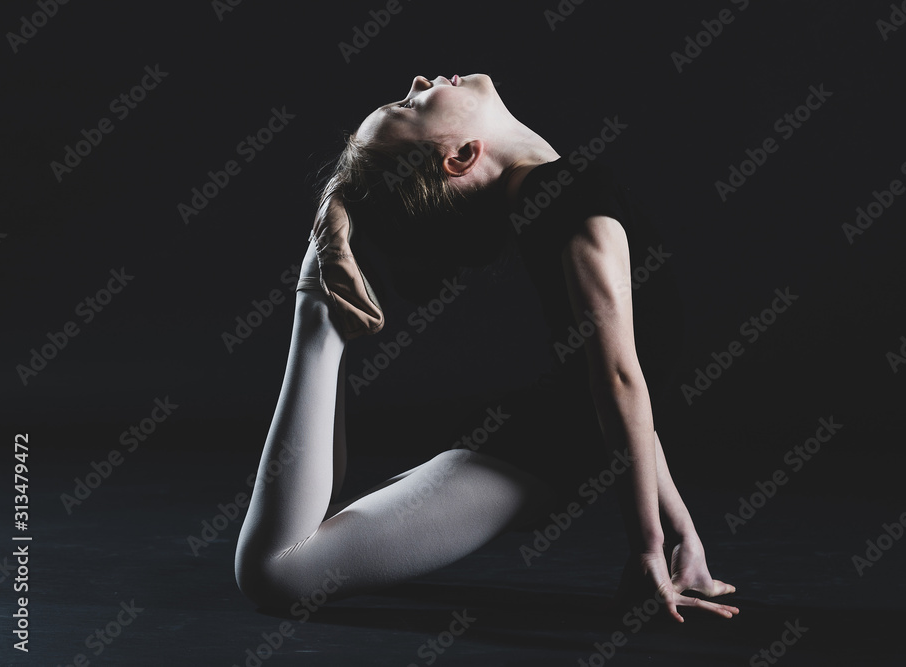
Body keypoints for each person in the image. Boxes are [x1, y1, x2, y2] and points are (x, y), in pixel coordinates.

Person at [235, 73, 739, 623]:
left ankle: (322, 305)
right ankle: (319, 317)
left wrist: (683, 539)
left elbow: (627, 387)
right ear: (462, 155)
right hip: (533, 454)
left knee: (299, 548)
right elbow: (617, 382)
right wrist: (647, 547)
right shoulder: (568, 197)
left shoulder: (554, 197)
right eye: (409, 105)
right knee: (276, 573)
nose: (418, 81)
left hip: (540, 443)